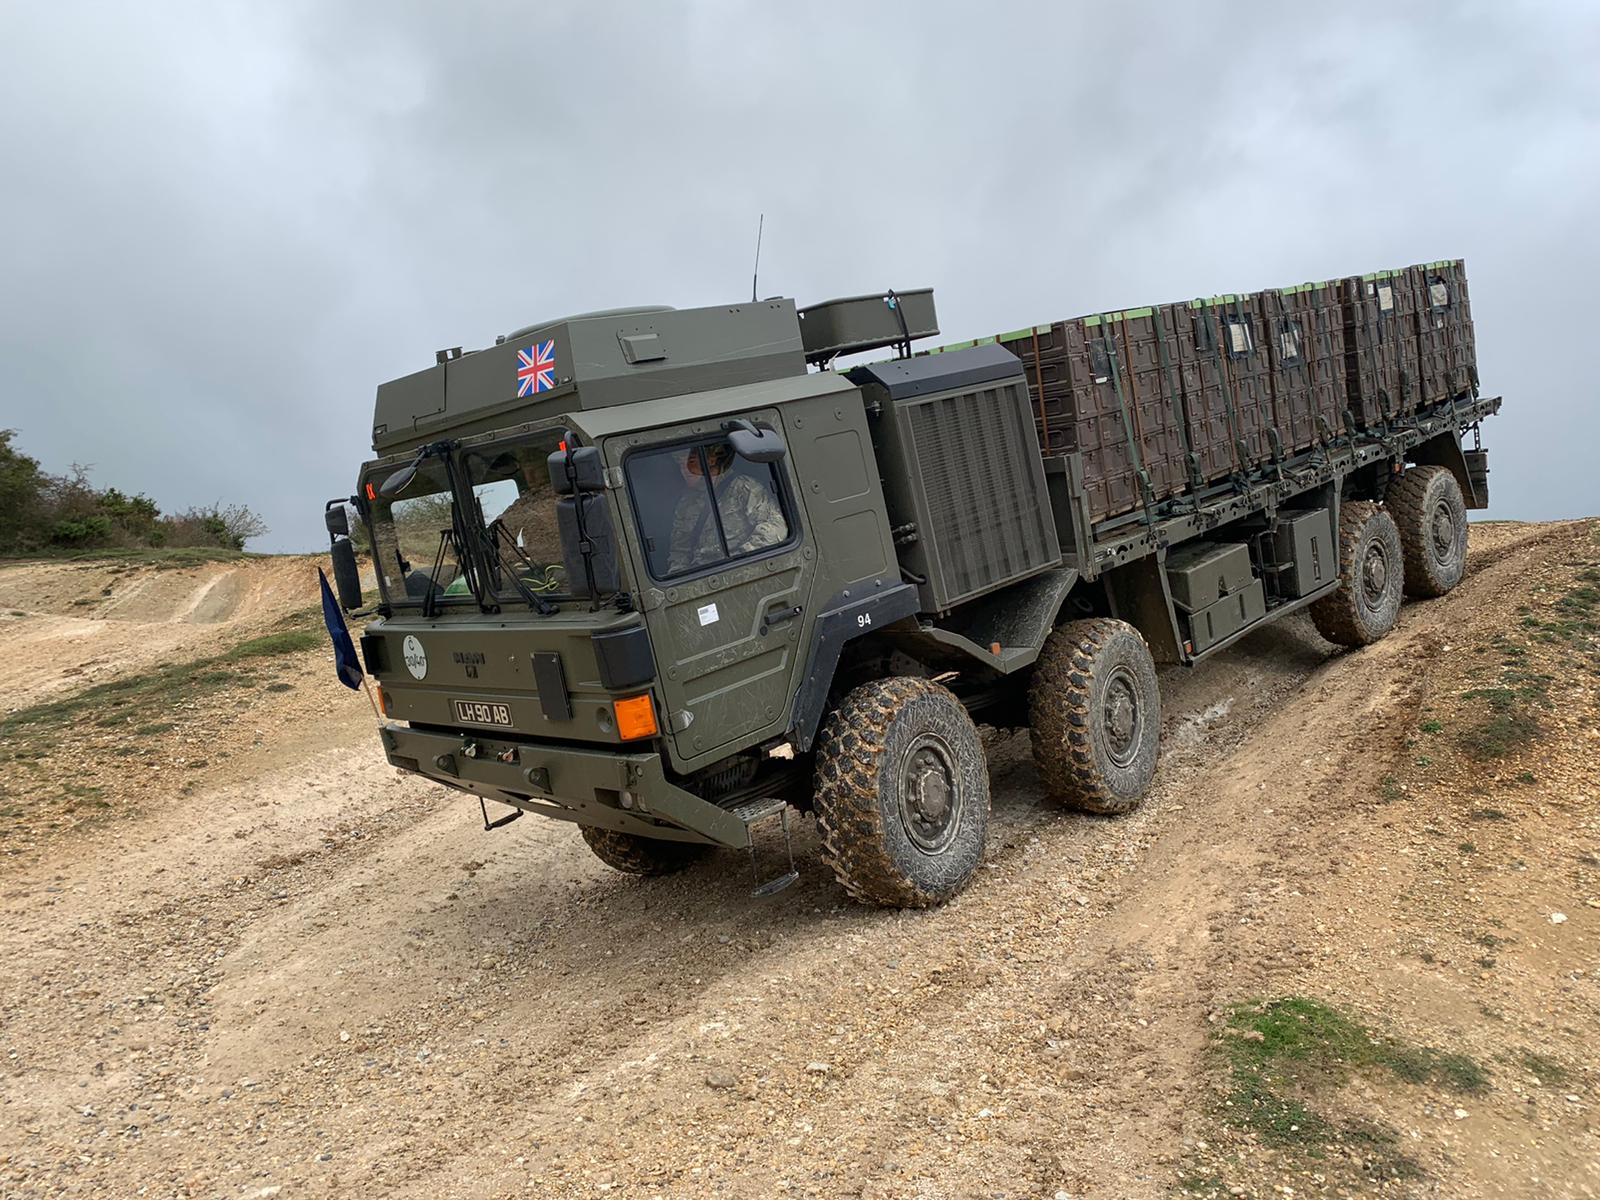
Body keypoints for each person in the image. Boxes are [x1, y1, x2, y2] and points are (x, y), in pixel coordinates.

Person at [667, 443, 786, 575]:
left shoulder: (743, 487)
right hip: (702, 577)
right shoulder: (687, 503)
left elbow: (775, 528)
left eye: (690, 462)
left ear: (709, 461)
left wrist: (741, 559)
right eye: (680, 464)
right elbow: (679, 550)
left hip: (740, 572)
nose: (685, 469)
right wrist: (681, 577)